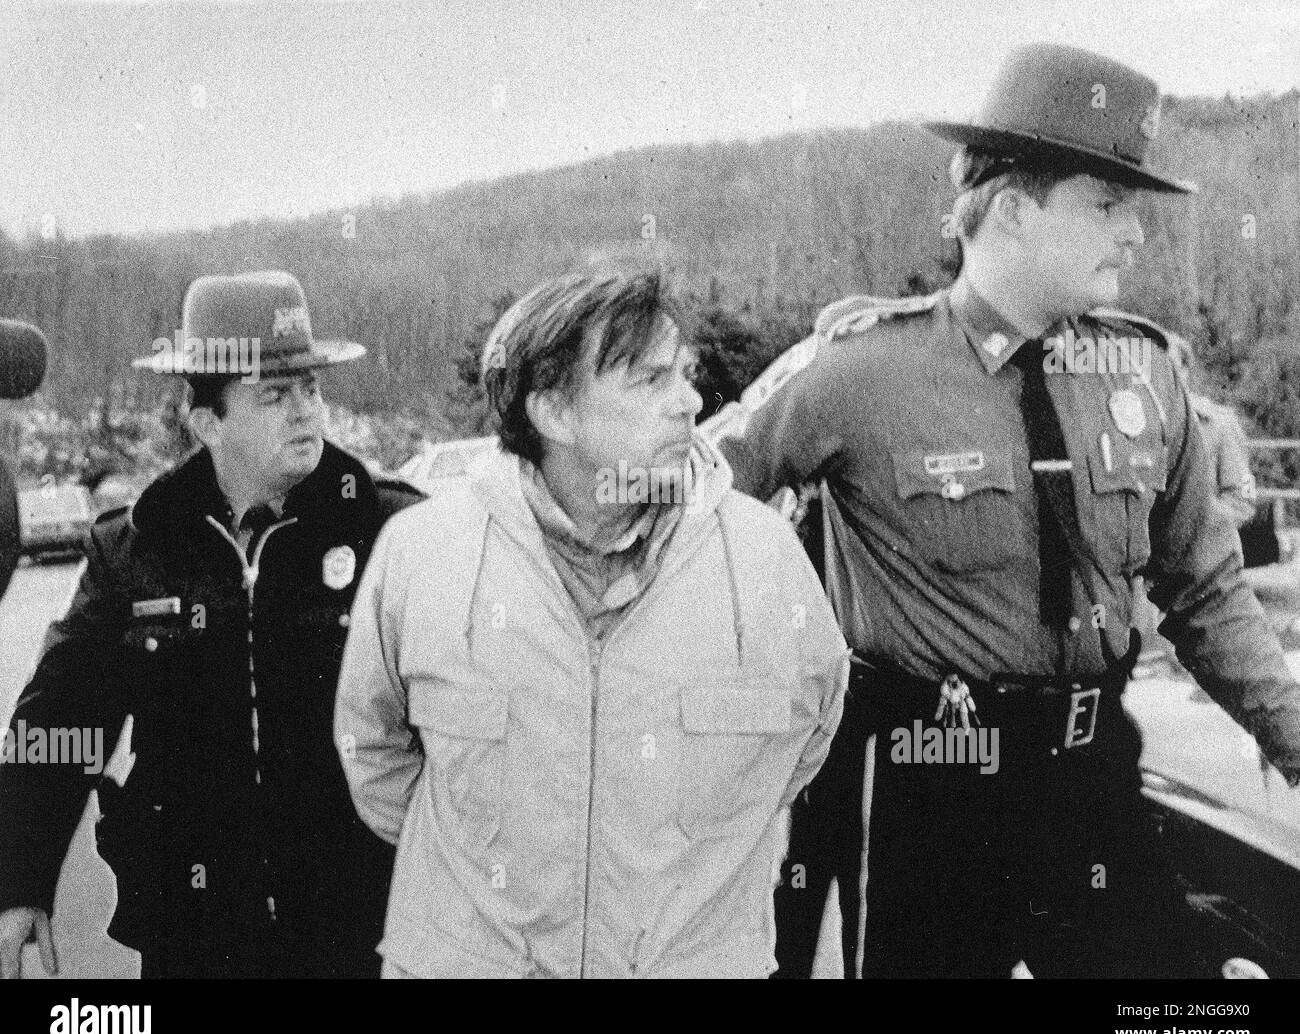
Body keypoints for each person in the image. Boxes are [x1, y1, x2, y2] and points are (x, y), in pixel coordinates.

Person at [718, 43, 1300, 978]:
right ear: (1016, 209)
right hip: (930, 782)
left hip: (1094, 772)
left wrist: (1293, 735)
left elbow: (1208, 590)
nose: (1135, 234)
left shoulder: (1142, 374)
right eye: (1108, 205)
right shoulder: (861, 371)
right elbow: (692, 504)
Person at [334, 271, 849, 978]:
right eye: (649, 380)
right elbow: (372, 748)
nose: (690, 402)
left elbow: (806, 738)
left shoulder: (764, 558)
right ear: (554, 413)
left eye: (686, 375)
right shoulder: (424, 553)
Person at [0, 270, 421, 978]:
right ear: (208, 422)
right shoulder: (135, 547)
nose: (306, 412)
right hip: (194, 935)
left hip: (363, 927)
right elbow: (62, 723)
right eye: (275, 396)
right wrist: (17, 882)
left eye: (312, 389)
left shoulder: (391, 529)